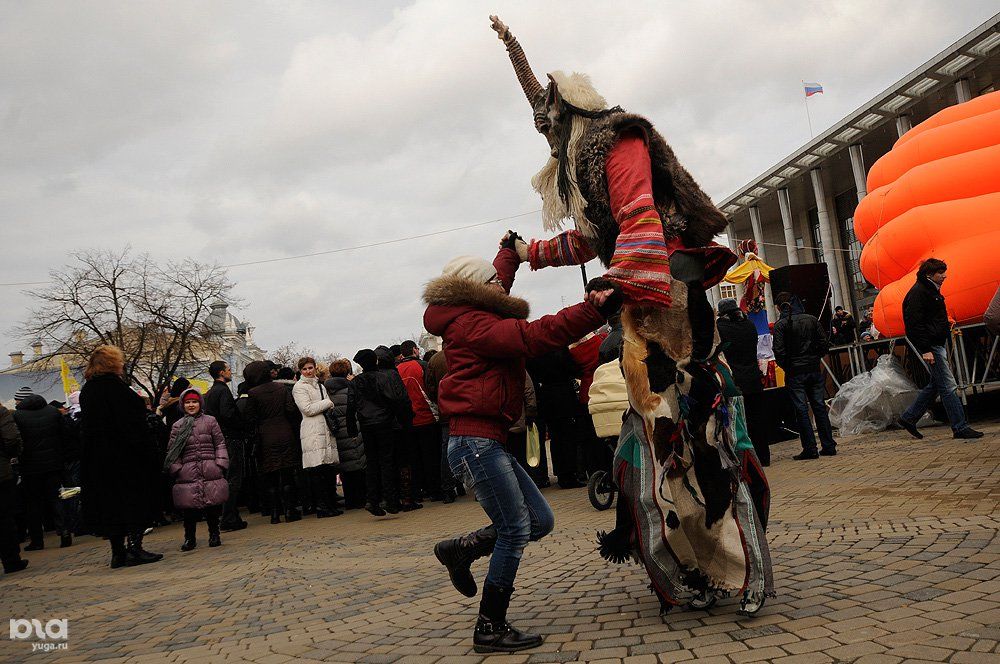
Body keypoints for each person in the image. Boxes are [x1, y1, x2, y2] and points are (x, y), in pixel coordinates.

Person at [488, 16, 771, 618]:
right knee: (655, 437)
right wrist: (529, 253)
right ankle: (682, 568)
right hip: (642, 312)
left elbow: (639, 215)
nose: (545, 136)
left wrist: (620, 286)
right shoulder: (583, 167)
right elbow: (592, 240)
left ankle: (743, 571)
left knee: (709, 431)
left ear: (566, 117)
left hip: (671, 302)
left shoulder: (618, 140)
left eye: (548, 123)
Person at [424, 241, 616, 653]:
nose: (503, 286)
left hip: (488, 440)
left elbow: (495, 278)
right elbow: (533, 336)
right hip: (476, 442)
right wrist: (592, 310)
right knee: (514, 530)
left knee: (539, 521)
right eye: (496, 282)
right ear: (475, 291)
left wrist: (510, 253)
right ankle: (489, 625)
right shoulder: (473, 325)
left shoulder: (475, 310)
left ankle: (461, 550)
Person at [79, 345, 163, 568]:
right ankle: (135, 547)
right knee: (134, 500)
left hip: (99, 459)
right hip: (125, 457)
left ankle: (118, 552)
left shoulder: (88, 390)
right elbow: (131, 423)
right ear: (112, 364)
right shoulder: (116, 388)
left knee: (111, 506)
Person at [897, 259, 983, 440]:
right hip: (932, 346)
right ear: (929, 274)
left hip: (936, 343)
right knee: (948, 386)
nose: (945, 275)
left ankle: (909, 417)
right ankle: (960, 427)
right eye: (940, 273)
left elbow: (930, 318)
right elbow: (914, 324)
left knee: (937, 384)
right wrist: (925, 349)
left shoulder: (929, 290)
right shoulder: (919, 293)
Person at [772, 292, 837, 459]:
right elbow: (824, 343)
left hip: (795, 371)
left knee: (801, 410)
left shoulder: (781, 325)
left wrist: (788, 366)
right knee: (819, 406)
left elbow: (779, 351)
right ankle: (828, 445)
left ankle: (810, 448)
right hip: (813, 368)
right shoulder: (811, 319)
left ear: (779, 307)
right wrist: (815, 358)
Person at [165, 389, 229, 550]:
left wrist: (220, 462)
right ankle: (189, 538)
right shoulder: (177, 426)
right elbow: (173, 451)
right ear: (182, 405)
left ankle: (214, 534)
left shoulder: (210, 421)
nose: (191, 405)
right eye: (187, 402)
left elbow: (219, 443)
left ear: (200, 403)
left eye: (194, 401)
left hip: (210, 469)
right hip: (187, 471)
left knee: (212, 507)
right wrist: (176, 468)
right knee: (189, 509)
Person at [352, 348, 413, 516]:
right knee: (387, 462)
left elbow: (352, 405)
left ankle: (372, 500)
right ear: (375, 361)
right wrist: (401, 419)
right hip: (384, 423)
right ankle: (390, 500)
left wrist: (352, 429)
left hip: (366, 425)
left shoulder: (356, 381)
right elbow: (393, 400)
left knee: (372, 462)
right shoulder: (382, 378)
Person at [13, 388, 72, 550]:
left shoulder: (17, 416)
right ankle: (64, 531)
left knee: (33, 504)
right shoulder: (53, 412)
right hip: (54, 464)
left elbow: (16, 441)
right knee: (57, 498)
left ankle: (37, 540)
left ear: (21, 400)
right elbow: (65, 435)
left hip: (30, 467)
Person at [244, 360, 303, 523]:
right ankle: (290, 511)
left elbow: (249, 417)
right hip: (285, 434)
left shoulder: (253, 393)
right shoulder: (281, 388)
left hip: (265, 437)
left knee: (271, 477)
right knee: (287, 474)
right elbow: (291, 410)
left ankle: (275, 514)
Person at [716, 298, 769, 465]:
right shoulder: (749, 325)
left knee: (739, 422)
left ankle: (747, 459)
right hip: (753, 377)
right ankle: (764, 456)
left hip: (735, 381)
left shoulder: (720, 328)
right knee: (758, 419)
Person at [292, 356, 342, 518]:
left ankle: (330, 505)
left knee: (328, 469)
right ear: (300, 371)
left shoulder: (320, 386)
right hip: (312, 431)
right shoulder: (299, 387)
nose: (308, 371)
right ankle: (321, 506)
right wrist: (327, 403)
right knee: (317, 470)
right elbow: (307, 409)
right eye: (304, 369)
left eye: (310, 368)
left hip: (325, 429)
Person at [204, 361, 249, 532]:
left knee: (225, 478)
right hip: (230, 438)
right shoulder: (222, 391)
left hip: (218, 440)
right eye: (229, 370)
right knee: (233, 478)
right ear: (222, 373)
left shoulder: (210, 393)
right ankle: (229, 517)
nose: (231, 372)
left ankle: (230, 516)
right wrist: (241, 425)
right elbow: (227, 414)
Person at [397, 340, 443, 501]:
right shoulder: (423, 365)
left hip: (408, 421)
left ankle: (417, 491)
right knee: (431, 456)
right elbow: (432, 388)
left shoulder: (396, 370)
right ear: (415, 350)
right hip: (427, 417)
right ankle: (435, 490)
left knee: (414, 459)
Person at [324, 359, 367, 510]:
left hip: (337, 434)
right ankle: (360, 499)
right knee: (357, 465)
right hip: (353, 431)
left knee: (344, 468)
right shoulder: (351, 389)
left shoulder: (326, 392)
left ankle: (350, 500)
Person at [424, 344, 459, 503]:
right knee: (473, 445)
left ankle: (447, 489)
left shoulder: (434, 360)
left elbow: (429, 387)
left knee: (447, 449)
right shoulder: (464, 352)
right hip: (467, 409)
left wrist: (439, 401)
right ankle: (479, 488)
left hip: (445, 410)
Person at [0, 403, 28, 574]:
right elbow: (11, 438)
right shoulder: (1, 411)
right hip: (1, 472)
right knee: (4, 518)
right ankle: (11, 560)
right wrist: (9, 455)